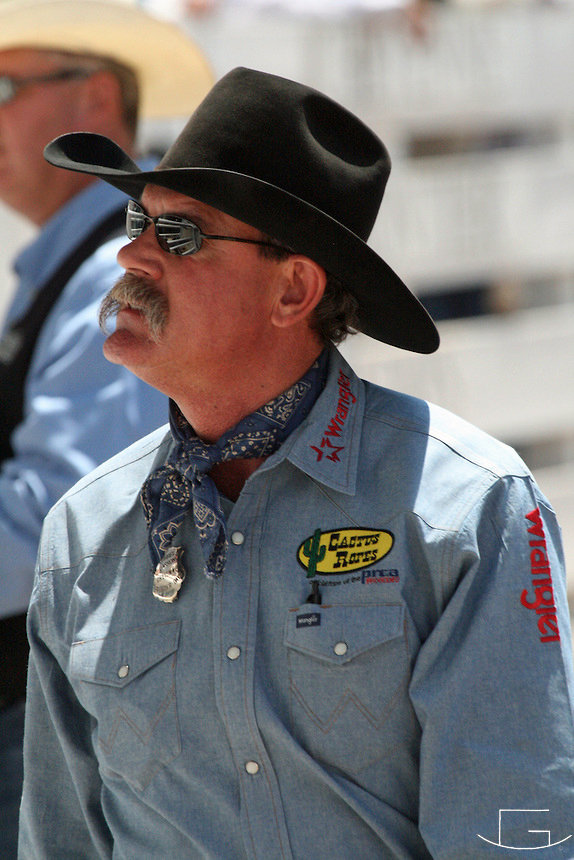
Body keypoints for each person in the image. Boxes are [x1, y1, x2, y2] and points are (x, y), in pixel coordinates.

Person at [20, 67, 574, 858]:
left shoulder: (467, 509)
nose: (132, 256)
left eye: (178, 234)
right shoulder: (81, 535)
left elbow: (513, 830)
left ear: (294, 291)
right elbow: (61, 838)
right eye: (137, 220)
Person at [0, 1, 212, 854]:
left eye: (6, 86)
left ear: (93, 102)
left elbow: (57, 525)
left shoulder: (103, 273)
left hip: (48, 719)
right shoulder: (86, 260)